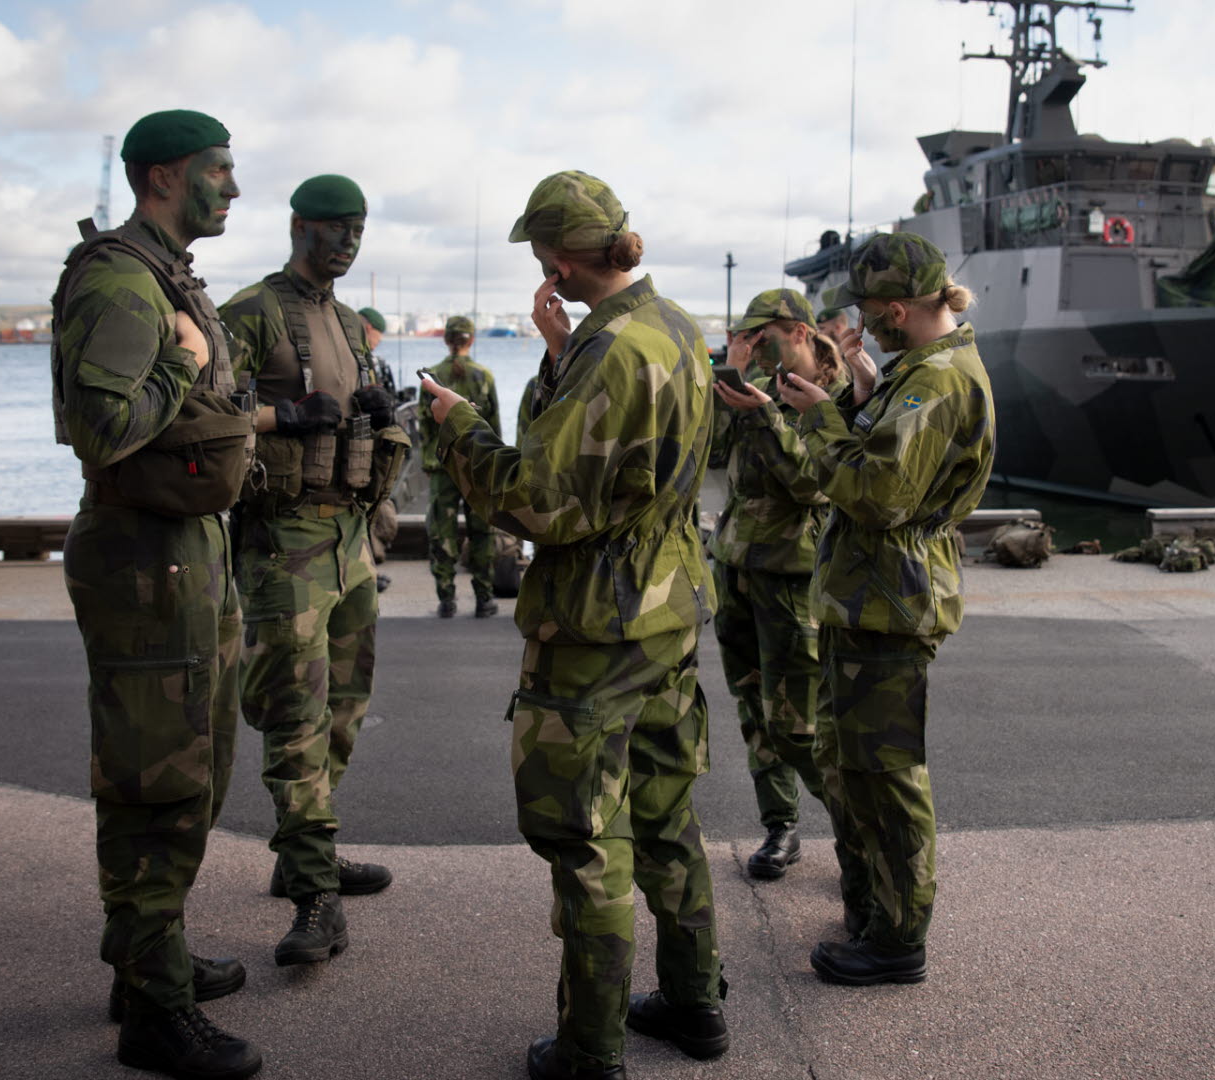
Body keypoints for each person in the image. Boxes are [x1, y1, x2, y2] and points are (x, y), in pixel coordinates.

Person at [419, 170, 726, 1080]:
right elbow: (625, 460)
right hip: (667, 610)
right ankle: (693, 999)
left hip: (596, 624)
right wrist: (561, 353)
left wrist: (462, 426)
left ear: (556, 259)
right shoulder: (674, 328)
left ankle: (591, 1047)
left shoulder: (613, 350)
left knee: (588, 838)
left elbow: (542, 501)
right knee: (668, 811)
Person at [52, 108, 261, 1079]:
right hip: (146, 560)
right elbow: (101, 426)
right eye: (222, 171)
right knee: (156, 783)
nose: (235, 187)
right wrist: (181, 358)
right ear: (167, 176)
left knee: (199, 766)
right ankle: (151, 1007)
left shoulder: (168, 275)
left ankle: (151, 954)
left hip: (188, 550)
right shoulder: (122, 278)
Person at [774, 231, 995, 987]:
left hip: (890, 600)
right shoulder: (916, 373)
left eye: (870, 316)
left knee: (888, 772)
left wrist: (820, 418)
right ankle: (873, 908)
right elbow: (887, 467)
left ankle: (900, 937)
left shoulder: (936, 382)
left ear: (901, 308)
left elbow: (878, 494)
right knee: (849, 764)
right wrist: (863, 402)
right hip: (867, 595)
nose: (861, 330)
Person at [219, 174, 404, 969]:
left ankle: (308, 852)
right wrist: (279, 415)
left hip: (351, 538)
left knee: (345, 707)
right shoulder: (253, 314)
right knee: (296, 713)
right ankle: (312, 898)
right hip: (285, 543)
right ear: (299, 226)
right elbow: (200, 409)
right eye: (335, 227)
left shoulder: (349, 323)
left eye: (358, 228)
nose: (348, 241)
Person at [707, 289, 851, 883]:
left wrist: (764, 412)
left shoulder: (831, 397)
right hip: (737, 566)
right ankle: (780, 826)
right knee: (753, 711)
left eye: (758, 336)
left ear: (794, 330)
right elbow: (712, 454)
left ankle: (858, 833)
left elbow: (811, 484)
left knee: (796, 723)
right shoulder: (753, 388)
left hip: (791, 575)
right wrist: (731, 383)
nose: (751, 346)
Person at [415, 315, 501, 618]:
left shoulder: (431, 378)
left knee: (442, 532)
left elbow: (424, 425)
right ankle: (484, 597)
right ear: (471, 340)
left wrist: (429, 457)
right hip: (477, 467)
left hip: (442, 467)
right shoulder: (484, 377)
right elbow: (493, 427)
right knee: (482, 532)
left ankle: (447, 599)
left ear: (446, 339)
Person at [355, 307, 401, 593]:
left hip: (372, 448)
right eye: (376, 337)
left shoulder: (370, 361)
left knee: (368, 512)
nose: (376, 344)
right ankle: (365, 571)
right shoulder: (359, 359)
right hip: (360, 448)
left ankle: (368, 570)